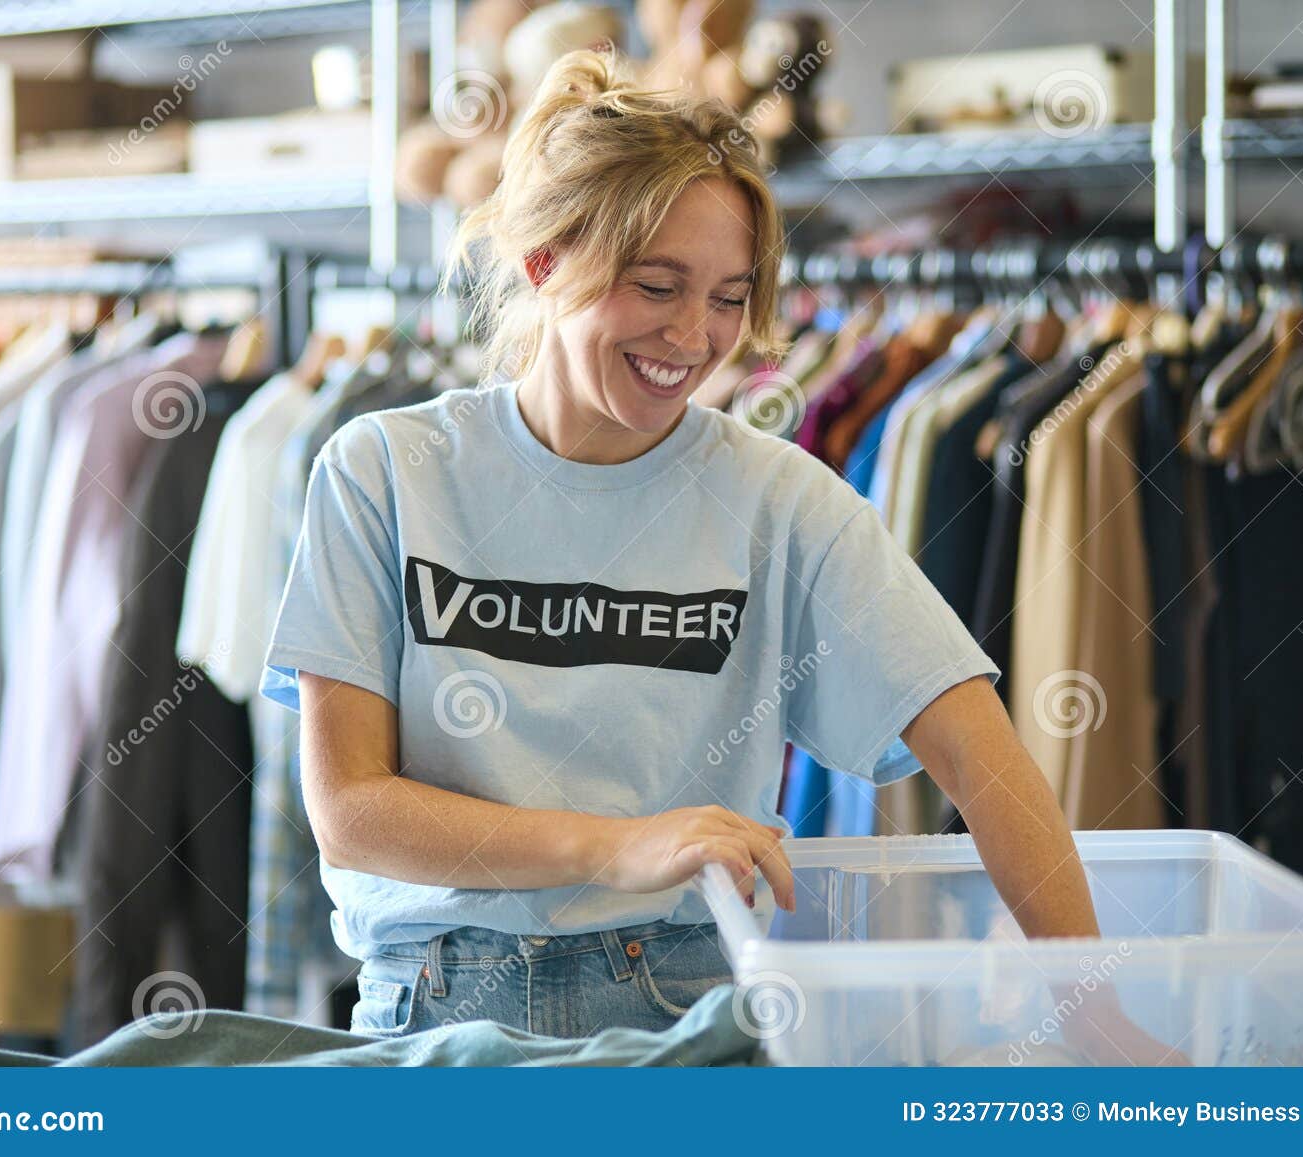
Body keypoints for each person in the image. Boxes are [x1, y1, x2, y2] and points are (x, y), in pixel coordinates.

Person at [259, 48, 1141, 1054]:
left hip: (694, 1003)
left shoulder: (781, 498)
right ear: (544, 260)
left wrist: (1096, 1012)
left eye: (728, 297)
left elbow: (985, 760)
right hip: (439, 997)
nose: (694, 335)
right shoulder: (382, 469)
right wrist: (622, 845)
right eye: (658, 285)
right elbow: (353, 811)